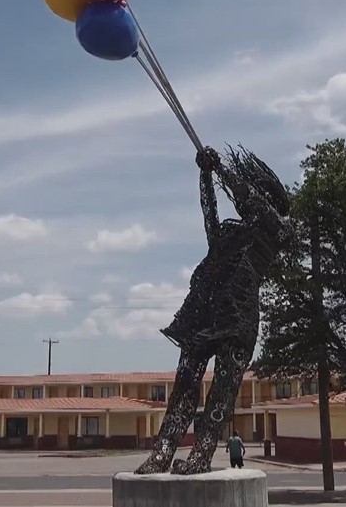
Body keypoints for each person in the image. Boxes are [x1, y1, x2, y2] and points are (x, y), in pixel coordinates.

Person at [135, 145, 290, 476]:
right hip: (205, 318)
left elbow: (252, 201)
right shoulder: (232, 234)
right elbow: (211, 219)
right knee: (183, 390)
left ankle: (201, 456)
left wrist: (220, 171)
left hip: (238, 323)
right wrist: (205, 176)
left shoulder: (274, 229)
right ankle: (161, 454)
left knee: (221, 394)